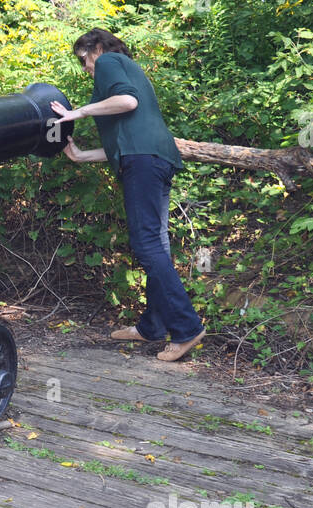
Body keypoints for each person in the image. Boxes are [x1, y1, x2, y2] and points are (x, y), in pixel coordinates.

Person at [52, 28, 205, 362]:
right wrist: (80, 155)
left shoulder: (108, 61)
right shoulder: (128, 68)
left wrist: (79, 111)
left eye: (84, 59)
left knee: (147, 244)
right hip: (154, 158)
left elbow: (127, 102)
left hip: (144, 162)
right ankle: (153, 325)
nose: (86, 68)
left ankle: (187, 327)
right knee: (157, 245)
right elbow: (124, 142)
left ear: (95, 47)